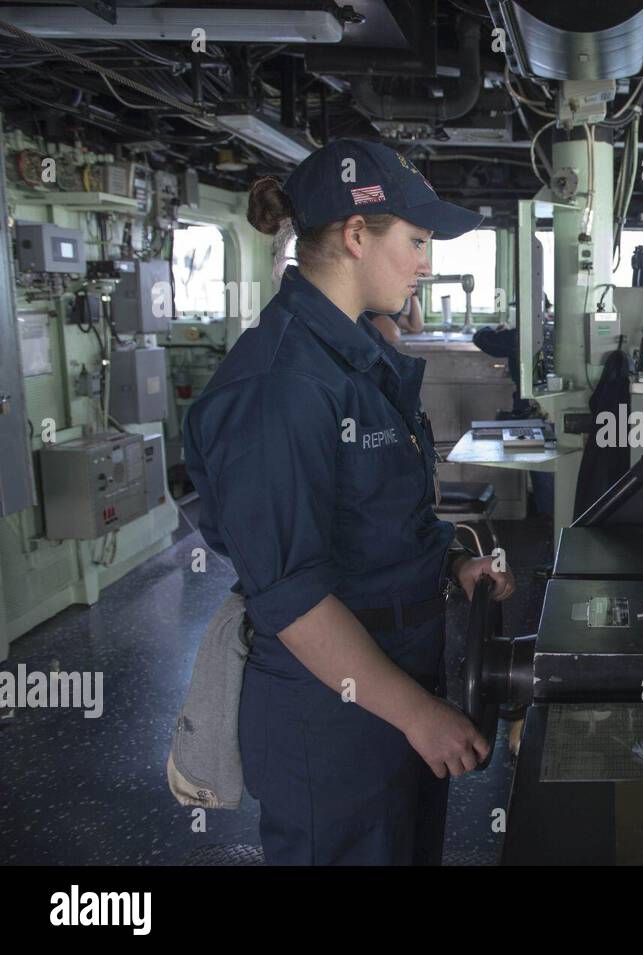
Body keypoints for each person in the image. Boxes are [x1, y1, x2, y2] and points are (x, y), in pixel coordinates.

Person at [182, 138, 515, 865]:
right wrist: (419, 714)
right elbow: (293, 599)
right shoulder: (278, 385)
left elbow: (385, 520)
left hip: (394, 675)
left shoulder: (354, 360)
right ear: (358, 235)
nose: (426, 263)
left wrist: (454, 563)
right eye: (418, 241)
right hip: (330, 710)